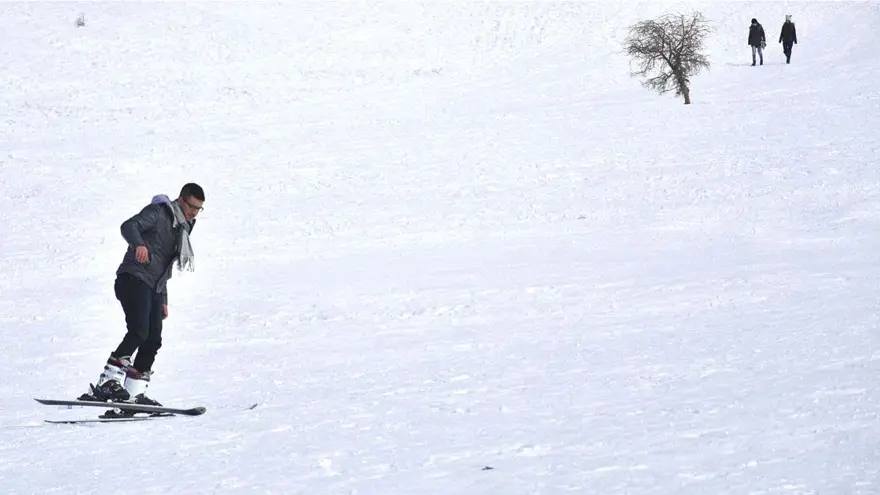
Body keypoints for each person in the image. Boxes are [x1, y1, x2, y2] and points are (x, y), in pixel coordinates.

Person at [79, 183, 205, 406]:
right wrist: (138, 244)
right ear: (181, 200)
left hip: (154, 287)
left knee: (153, 339)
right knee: (139, 331)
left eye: (199, 209)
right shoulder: (159, 212)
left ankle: (134, 393)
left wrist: (163, 298)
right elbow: (128, 226)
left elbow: (164, 265)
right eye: (192, 207)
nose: (194, 213)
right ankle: (107, 382)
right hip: (133, 278)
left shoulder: (182, 228)